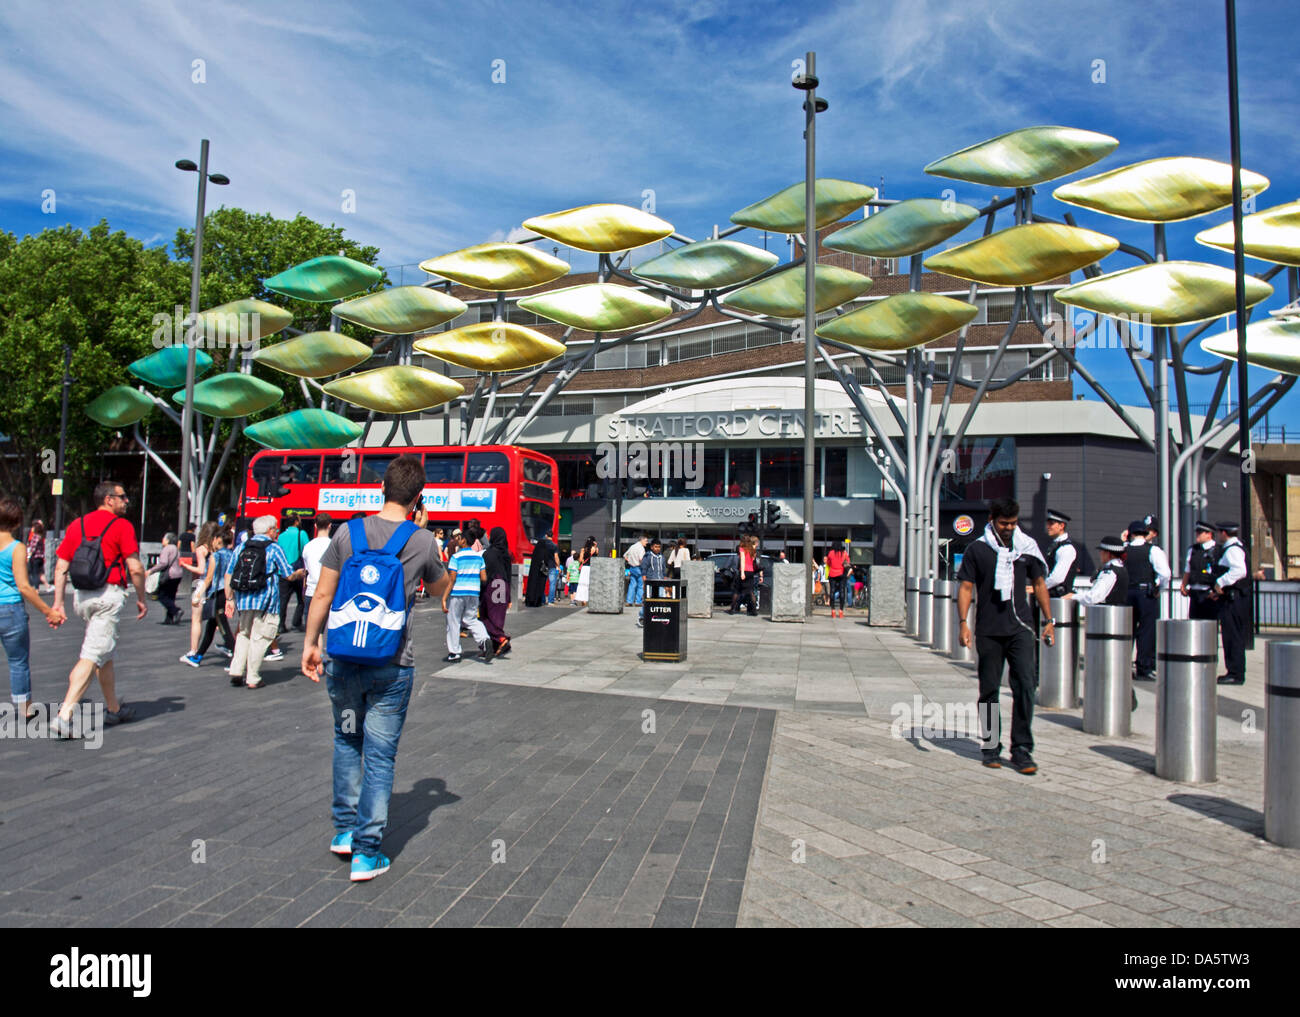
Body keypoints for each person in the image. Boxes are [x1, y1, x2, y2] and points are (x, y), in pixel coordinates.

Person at [302, 454, 451, 882]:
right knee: (381, 757)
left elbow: (322, 596)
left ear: (381, 489)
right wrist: (426, 538)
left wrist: (311, 645)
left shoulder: (346, 532)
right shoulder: (422, 541)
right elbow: (444, 590)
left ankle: (345, 832)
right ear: (418, 498)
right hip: (391, 665)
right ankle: (368, 852)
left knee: (347, 741)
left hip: (343, 660)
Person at [956, 497, 1054, 775]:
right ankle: (990, 747)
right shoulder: (978, 549)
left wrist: (1049, 620)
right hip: (988, 629)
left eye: (1013, 523)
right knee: (989, 691)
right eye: (1004, 523)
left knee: (1026, 685)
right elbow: (965, 588)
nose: (1009, 528)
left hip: (1021, 628)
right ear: (992, 520)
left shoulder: (1026, 548)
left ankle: (1022, 749)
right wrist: (963, 623)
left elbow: (1039, 583)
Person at [52, 480, 148, 739]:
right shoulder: (121, 526)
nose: (127, 501)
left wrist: (57, 603)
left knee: (103, 652)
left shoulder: (77, 525)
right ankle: (64, 715)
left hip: (82, 597)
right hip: (108, 595)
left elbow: (61, 567)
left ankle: (113, 708)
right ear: (109, 499)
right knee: (93, 654)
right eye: (123, 496)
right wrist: (142, 597)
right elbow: (136, 568)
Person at [0, 496, 64, 720]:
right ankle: (25, 708)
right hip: (10, 610)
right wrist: (49, 611)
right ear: (17, 522)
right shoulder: (17, 548)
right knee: (18, 661)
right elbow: (25, 587)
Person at [223, 515, 304, 690]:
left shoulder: (242, 547)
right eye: (275, 529)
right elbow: (287, 574)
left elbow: (229, 573)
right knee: (261, 637)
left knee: (244, 633)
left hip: (244, 599)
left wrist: (229, 598)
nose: (277, 532)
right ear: (270, 530)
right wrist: (300, 573)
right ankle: (253, 676)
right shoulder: (273, 548)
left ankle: (236, 670)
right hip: (266, 601)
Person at [1125, 519, 1170, 683]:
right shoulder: (1153, 550)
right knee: (1146, 630)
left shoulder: (1124, 550)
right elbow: (1165, 574)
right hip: (1146, 593)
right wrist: (1159, 588)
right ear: (1145, 534)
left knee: (1126, 631)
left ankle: (1123, 666)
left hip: (1127, 592)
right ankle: (1144, 667)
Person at [186, 527, 236, 666]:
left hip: (217, 592)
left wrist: (198, 595)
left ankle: (237, 659)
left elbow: (208, 578)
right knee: (211, 626)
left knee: (224, 628)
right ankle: (198, 656)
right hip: (226, 593)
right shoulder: (231, 554)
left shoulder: (216, 556)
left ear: (216, 540)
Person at [442, 526, 493, 663]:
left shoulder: (456, 557)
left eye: (459, 538)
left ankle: (454, 652)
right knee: (471, 620)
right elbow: (483, 578)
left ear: (464, 540)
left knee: (453, 621)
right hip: (473, 592)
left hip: (458, 592)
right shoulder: (479, 558)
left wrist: (444, 597)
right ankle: (484, 639)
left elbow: (452, 579)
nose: (458, 540)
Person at [1209, 521, 1248, 685]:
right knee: (1232, 635)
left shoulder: (1232, 550)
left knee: (1233, 636)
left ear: (1224, 533)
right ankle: (1234, 671)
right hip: (1230, 598)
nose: (1217, 535)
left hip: (1233, 600)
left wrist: (1220, 582)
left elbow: (1240, 570)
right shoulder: (1235, 547)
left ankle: (1235, 673)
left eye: (1218, 532)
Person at [180, 523, 217, 664]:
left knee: (196, 620)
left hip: (202, 585)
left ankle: (193, 650)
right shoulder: (216, 549)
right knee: (216, 621)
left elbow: (201, 570)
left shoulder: (202, 549)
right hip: (215, 586)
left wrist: (186, 565)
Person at [1065, 536, 1129, 607]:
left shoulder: (1109, 572)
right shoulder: (1122, 568)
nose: (1100, 554)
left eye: (1101, 551)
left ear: (1108, 554)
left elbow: (1094, 597)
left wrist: (1074, 596)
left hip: (1107, 613)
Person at [1179, 521, 1219, 621]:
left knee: (1209, 625)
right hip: (1195, 593)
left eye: (1200, 533)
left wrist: (1216, 591)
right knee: (1194, 623)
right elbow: (1188, 569)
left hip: (1209, 594)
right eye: (1197, 532)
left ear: (1209, 534)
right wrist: (1183, 585)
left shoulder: (1217, 550)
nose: (1197, 535)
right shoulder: (1193, 550)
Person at [482, 526, 513, 656]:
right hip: (503, 586)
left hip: (493, 586)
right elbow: (509, 573)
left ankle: (501, 639)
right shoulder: (506, 553)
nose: (488, 537)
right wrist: (509, 597)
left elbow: (484, 574)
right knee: (498, 617)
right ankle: (496, 646)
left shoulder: (488, 553)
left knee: (484, 616)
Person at [300, 514, 333, 634]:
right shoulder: (333, 545)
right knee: (327, 629)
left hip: (311, 591)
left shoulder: (308, 546)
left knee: (313, 631)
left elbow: (306, 571)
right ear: (330, 526)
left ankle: (314, 651)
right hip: (330, 591)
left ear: (315, 526)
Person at [277, 517, 309, 633]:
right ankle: (296, 622)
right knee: (301, 599)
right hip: (298, 571)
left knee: (283, 600)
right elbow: (306, 550)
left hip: (283, 572)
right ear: (296, 522)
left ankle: (280, 625)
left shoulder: (281, 536)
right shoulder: (301, 533)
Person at [147, 533, 185, 624]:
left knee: (161, 596)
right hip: (178, 574)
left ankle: (176, 611)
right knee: (171, 596)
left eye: (164, 538)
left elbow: (163, 563)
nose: (162, 540)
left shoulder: (167, 548)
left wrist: (151, 570)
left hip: (169, 575)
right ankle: (169, 619)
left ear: (168, 540)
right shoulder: (176, 549)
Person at [1041, 509, 1080, 598]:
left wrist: (1039, 588)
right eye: (1047, 523)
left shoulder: (1066, 548)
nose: (1047, 526)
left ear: (1061, 526)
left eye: (1051, 523)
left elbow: (1057, 578)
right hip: (1053, 596)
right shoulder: (1056, 546)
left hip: (1060, 598)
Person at [727, 534, 761, 616]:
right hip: (751, 572)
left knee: (737, 590)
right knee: (751, 591)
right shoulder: (752, 550)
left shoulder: (742, 549)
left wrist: (742, 572)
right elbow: (753, 561)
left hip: (744, 571)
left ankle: (732, 609)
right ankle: (754, 611)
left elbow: (742, 561)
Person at [525, 531, 559, 607]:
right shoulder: (554, 545)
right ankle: (550, 601)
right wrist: (558, 566)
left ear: (546, 535)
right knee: (552, 584)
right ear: (552, 536)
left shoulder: (542, 544)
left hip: (541, 567)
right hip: (551, 566)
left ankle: (542, 600)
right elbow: (556, 557)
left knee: (541, 583)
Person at [638, 537, 666, 628]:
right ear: (651, 547)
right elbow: (644, 570)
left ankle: (658, 617)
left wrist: (665, 581)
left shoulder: (662, 557)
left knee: (661, 599)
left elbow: (664, 570)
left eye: (659, 547)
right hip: (650, 582)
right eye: (655, 546)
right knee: (648, 600)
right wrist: (644, 582)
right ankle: (642, 617)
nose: (657, 548)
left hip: (660, 582)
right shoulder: (647, 556)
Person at [624, 533, 649, 607]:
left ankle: (629, 601)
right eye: (646, 541)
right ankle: (638, 601)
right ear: (642, 540)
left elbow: (625, 555)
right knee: (640, 585)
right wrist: (645, 567)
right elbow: (641, 559)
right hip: (639, 568)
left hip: (632, 567)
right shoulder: (641, 548)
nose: (647, 543)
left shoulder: (632, 546)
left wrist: (630, 561)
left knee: (632, 585)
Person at [826, 541, 849, 618]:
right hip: (841, 574)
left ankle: (833, 611)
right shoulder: (844, 553)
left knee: (832, 591)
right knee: (842, 591)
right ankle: (841, 611)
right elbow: (848, 563)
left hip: (832, 573)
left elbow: (828, 563)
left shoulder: (831, 553)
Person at [26, 518, 47, 593]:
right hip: (40, 557)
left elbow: (32, 548)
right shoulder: (41, 536)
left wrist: (28, 557)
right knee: (39, 573)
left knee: (34, 573)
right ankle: (45, 586)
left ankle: (36, 589)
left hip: (35, 558)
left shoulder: (35, 536)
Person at [574, 538, 596, 607]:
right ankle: (589, 599)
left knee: (583, 584)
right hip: (592, 568)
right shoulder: (595, 549)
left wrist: (583, 560)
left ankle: (583, 600)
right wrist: (595, 546)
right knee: (590, 584)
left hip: (584, 568)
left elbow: (580, 560)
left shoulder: (583, 549)